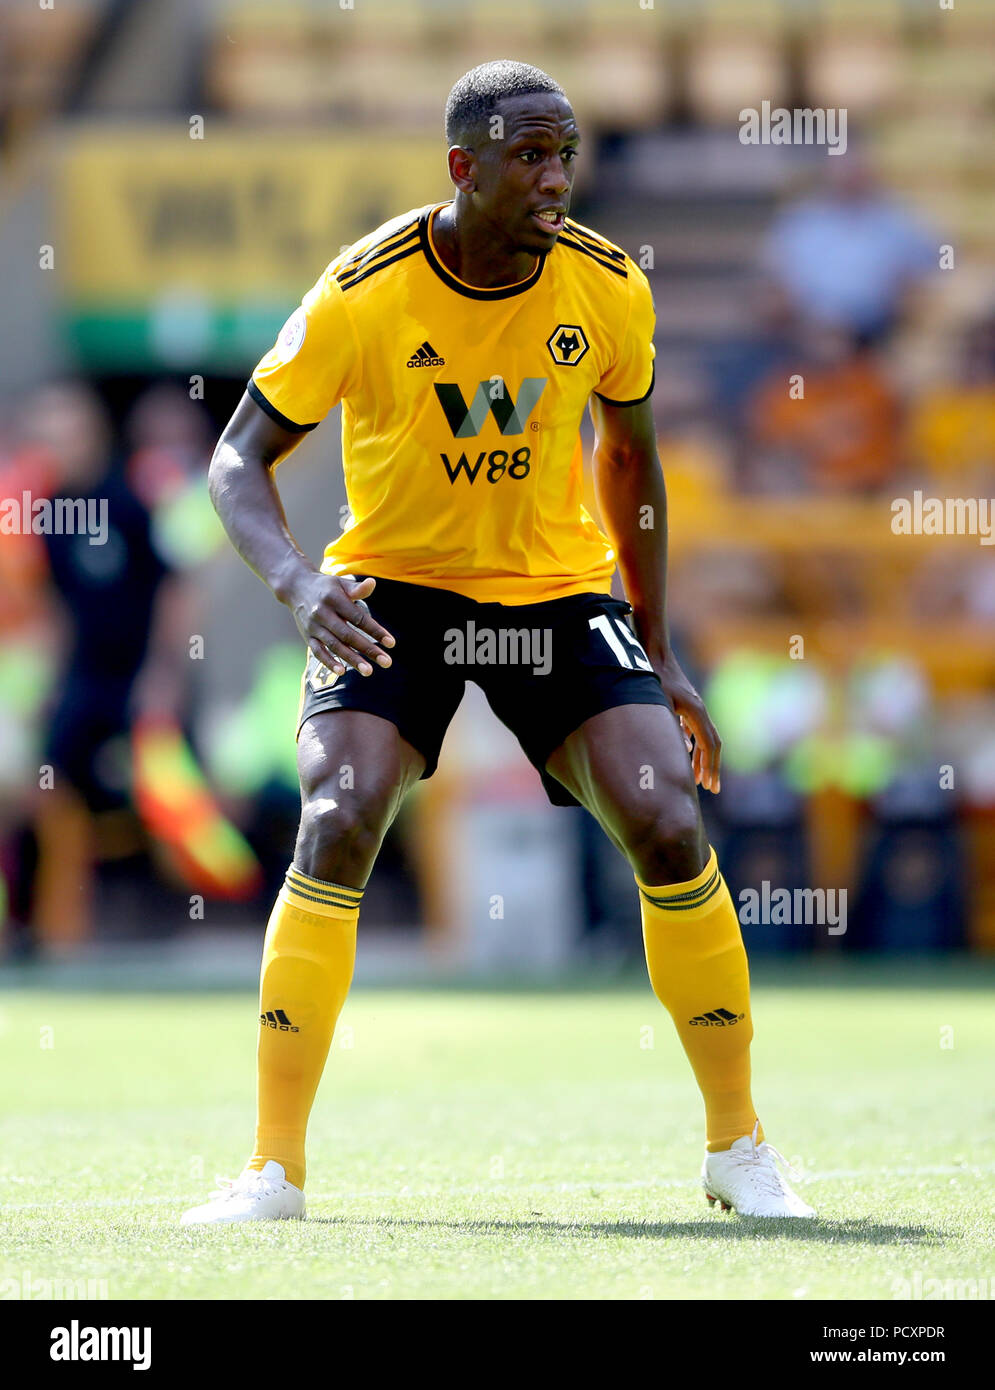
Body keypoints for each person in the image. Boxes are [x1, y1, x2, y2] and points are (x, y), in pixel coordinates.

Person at [182, 61, 812, 1224]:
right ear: (462, 167)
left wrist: (659, 652)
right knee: (335, 815)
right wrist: (293, 579)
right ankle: (272, 1169)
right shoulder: (362, 290)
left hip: (556, 596)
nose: (555, 179)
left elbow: (631, 463)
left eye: (564, 153)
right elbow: (234, 457)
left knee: (667, 811)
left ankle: (740, 1147)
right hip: (396, 596)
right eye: (529, 156)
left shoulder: (607, 285)